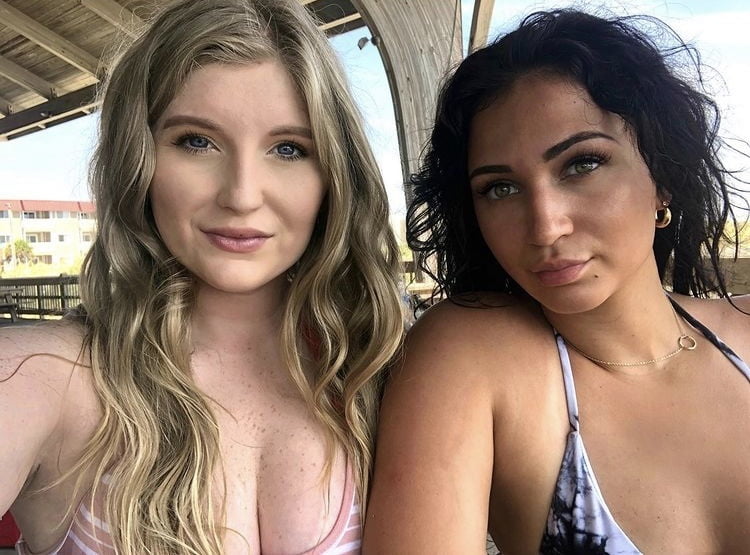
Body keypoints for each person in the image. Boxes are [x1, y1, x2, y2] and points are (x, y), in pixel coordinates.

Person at [0, 0, 404, 553]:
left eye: (288, 149)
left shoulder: (379, 370)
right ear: (137, 160)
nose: (241, 194)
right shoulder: (45, 377)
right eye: (196, 141)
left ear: (334, 175)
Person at [364, 9, 750, 554]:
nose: (545, 226)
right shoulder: (475, 357)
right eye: (500, 188)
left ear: (662, 177)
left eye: (581, 164)